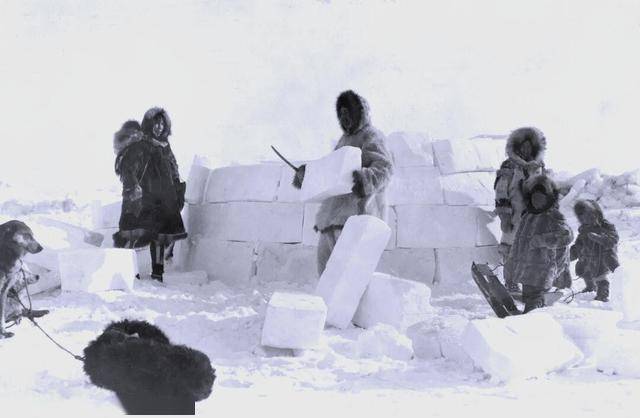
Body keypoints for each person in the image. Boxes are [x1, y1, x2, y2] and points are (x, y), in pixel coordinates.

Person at [293, 90, 394, 275]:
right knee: (326, 278)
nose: (344, 118)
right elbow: (331, 173)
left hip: (356, 218)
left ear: (359, 112)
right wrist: (307, 175)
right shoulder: (343, 141)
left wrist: (365, 179)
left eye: (348, 112)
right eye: (341, 114)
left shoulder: (371, 135)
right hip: (331, 221)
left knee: (349, 279)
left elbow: (385, 167)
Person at [112, 108, 187, 282]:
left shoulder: (165, 147)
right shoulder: (140, 145)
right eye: (155, 123)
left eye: (162, 124)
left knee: (160, 236)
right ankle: (129, 272)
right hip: (143, 199)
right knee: (133, 236)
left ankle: (157, 273)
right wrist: (133, 188)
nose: (159, 127)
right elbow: (128, 169)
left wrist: (177, 190)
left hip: (164, 200)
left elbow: (173, 170)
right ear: (149, 124)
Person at [505, 174, 573, 313]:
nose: (537, 202)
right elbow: (517, 243)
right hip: (526, 268)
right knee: (528, 296)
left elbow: (567, 235)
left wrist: (542, 240)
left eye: (541, 199)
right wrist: (511, 263)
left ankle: (533, 313)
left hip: (543, 268)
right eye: (534, 198)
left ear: (548, 199)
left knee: (534, 299)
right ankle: (535, 310)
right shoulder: (527, 216)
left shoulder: (553, 216)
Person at [494, 127, 547, 292]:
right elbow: (501, 190)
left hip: (534, 217)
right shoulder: (509, 165)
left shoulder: (539, 166)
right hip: (515, 216)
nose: (526, 150)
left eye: (529, 147)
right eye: (523, 146)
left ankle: (528, 284)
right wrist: (504, 216)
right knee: (511, 249)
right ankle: (510, 282)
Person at [570, 199, 619, 302]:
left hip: (602, 256)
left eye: (588, 215)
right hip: (587, 256)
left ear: (596, 213)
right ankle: (590, 287)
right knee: (585, 272)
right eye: (582, 216)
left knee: (600, 275)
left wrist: (597, 237)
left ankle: (603, 294)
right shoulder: (584, 229)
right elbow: (579, 243)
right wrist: (571, 254)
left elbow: (613, 240)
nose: (585, 219)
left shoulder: (605, 226)